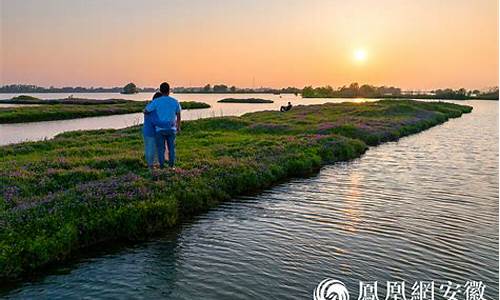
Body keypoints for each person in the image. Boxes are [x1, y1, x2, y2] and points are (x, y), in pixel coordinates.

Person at [144, 82, 181, 168]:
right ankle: (171, 166)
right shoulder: (175, 101)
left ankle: (161, 167)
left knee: (161, 149)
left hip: (160, 130)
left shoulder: (156, 101)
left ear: (160, 90)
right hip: (172, 129)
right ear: (169, 90)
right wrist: (178, 126)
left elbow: (146, 110)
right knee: (171, 149)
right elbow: (178, 115)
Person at [143, 92, 162, 169]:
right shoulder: (153, 108)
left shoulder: (150, 106)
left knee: (150, 148)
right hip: (151, 131)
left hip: (148, 131)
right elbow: (155, 121)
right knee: (151, 149)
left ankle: (153, 164)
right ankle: (151, 166)